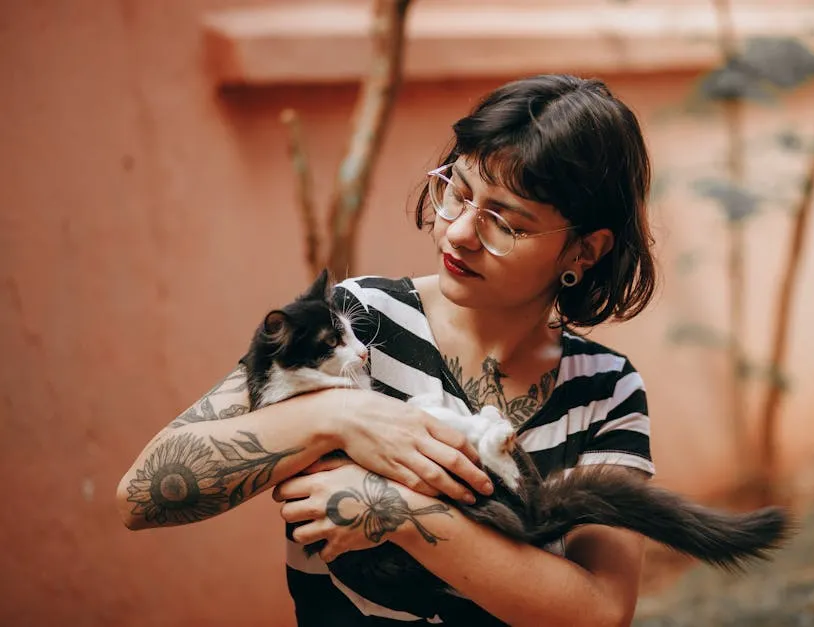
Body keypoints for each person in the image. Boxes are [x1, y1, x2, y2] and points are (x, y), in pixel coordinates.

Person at [116, 74, 657, 626]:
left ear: (585, 250)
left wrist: (401, 513)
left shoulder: (606, 390)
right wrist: (337, 415)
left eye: (506, 223)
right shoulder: (359, 322)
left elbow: (601, 612)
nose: (459, 233)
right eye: (459, 192)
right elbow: (142, 496)